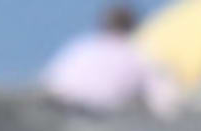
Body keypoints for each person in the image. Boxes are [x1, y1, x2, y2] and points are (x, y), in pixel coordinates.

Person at [42, 8, 183, 112]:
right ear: (135, 27)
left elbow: (49, 80)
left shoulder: (80, 46)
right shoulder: (139, 56)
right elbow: (165, 102)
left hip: (55, 102)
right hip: (95, 111)